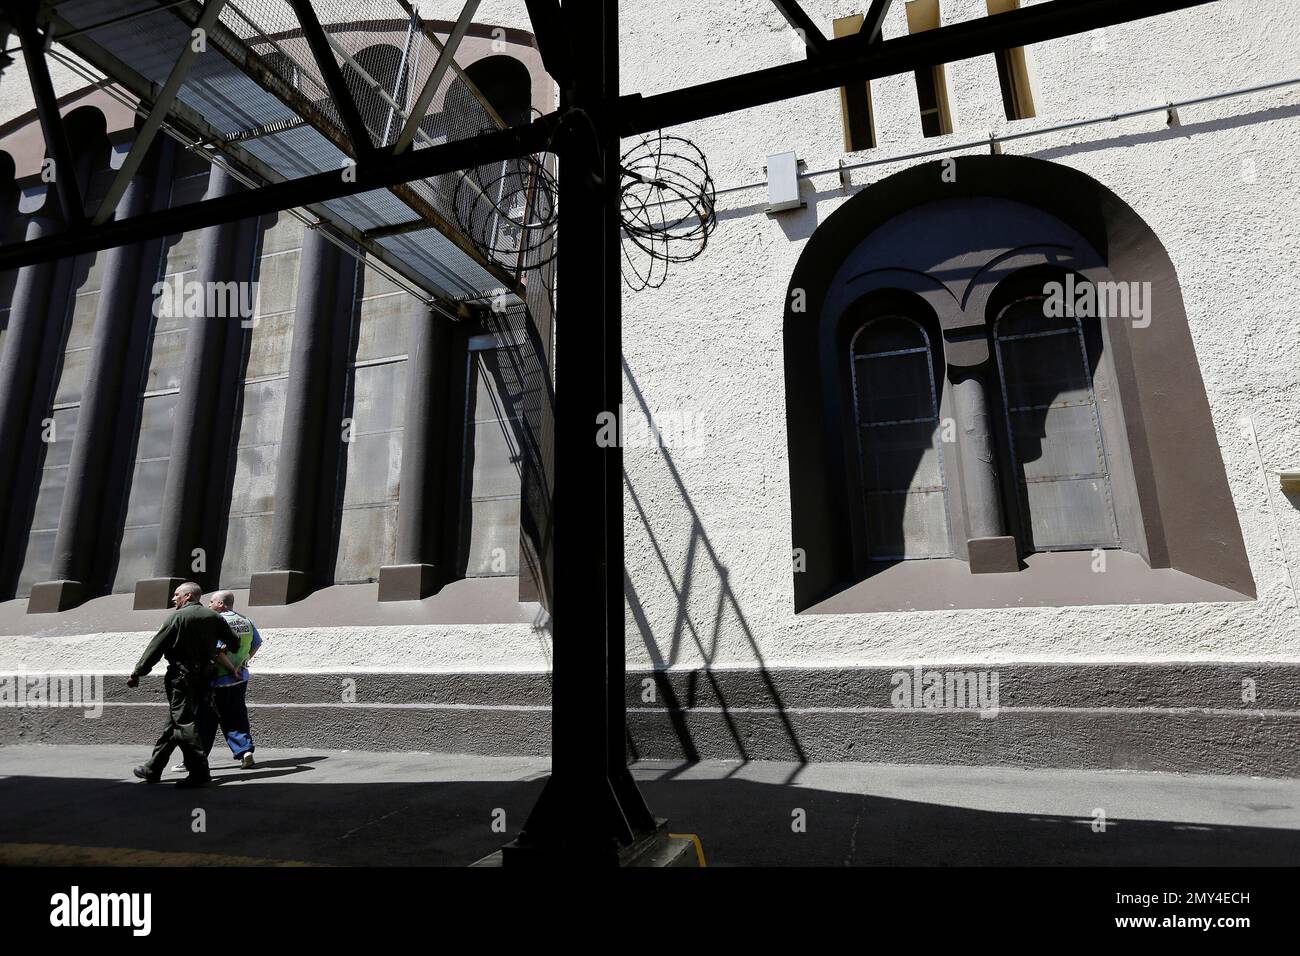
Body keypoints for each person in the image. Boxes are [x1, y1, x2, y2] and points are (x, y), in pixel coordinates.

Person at [127, 581, 240, 788]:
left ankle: (200, 773)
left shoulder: (176, 618)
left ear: (188, 596)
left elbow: (155, 647)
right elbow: (234, 643)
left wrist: (137, 672)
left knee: (184, 723)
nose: (173, 599)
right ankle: (153, 767)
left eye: (176, 594)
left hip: (181, 678)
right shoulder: (214, 617)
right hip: (204, 678)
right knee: (175, 721)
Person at [200, 589, 263, 770]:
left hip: (219, 678)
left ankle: (196, 758)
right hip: (241, 677)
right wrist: (243, 662)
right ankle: (245, 751)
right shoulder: (246, 620)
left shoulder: (216, 622)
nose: (209, 605)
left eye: (212, 601)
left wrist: (230, 668)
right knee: (237, 714)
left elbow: (217, 651)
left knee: (207, 719)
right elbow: (257, 643)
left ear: (221, 604)